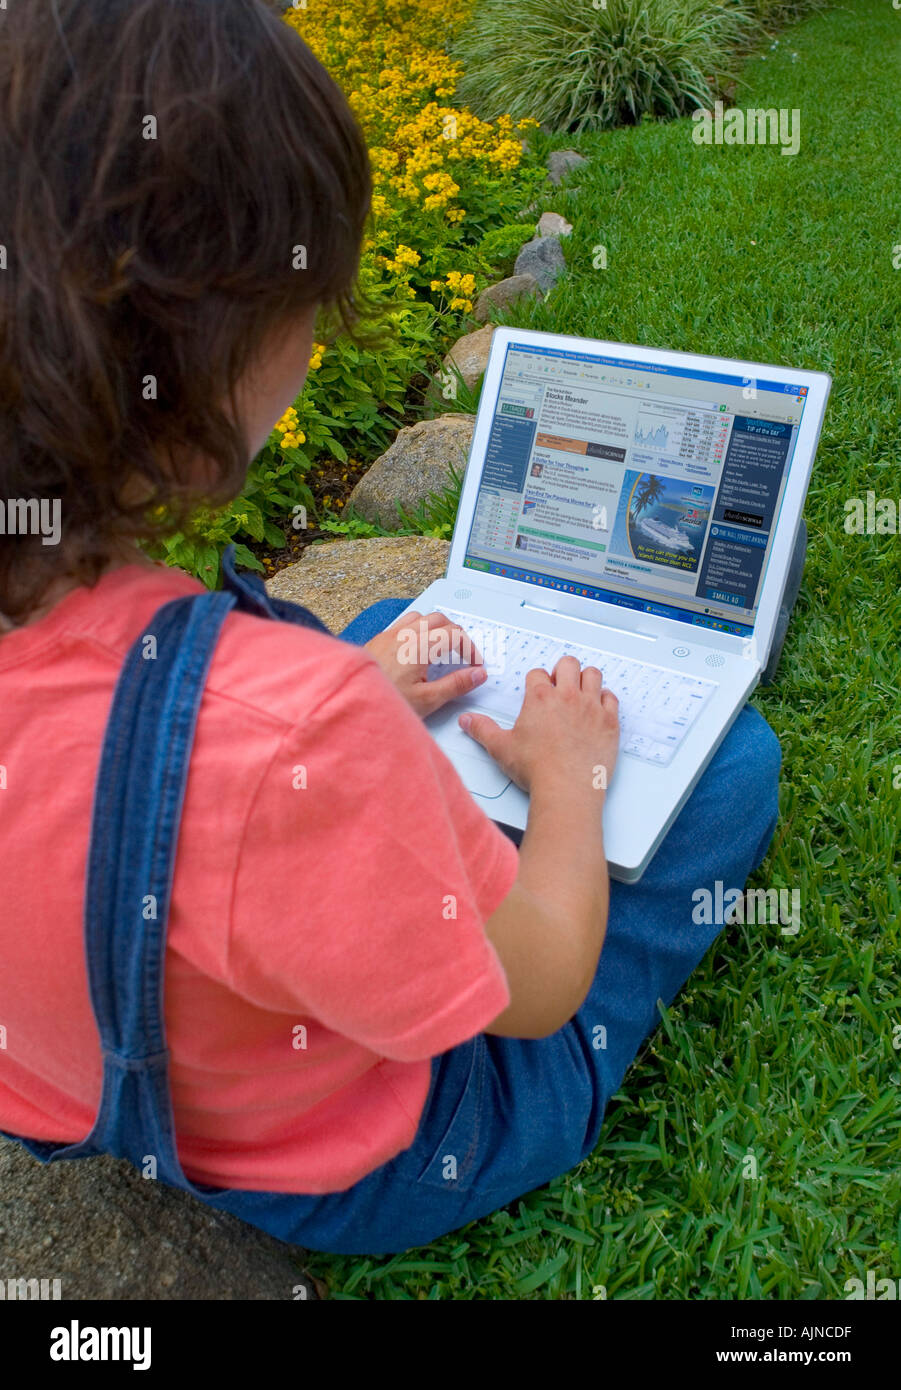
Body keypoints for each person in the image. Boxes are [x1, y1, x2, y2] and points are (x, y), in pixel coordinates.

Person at [0, 0, 781, 1256]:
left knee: (380, 626)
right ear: (224, 347)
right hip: (364, 1155)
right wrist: (569, 789)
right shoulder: (302, 729)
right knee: (737, 770)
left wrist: (334, 688)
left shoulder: (162, 663)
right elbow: (532, 987)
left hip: (109, 1084)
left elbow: (132, 766)